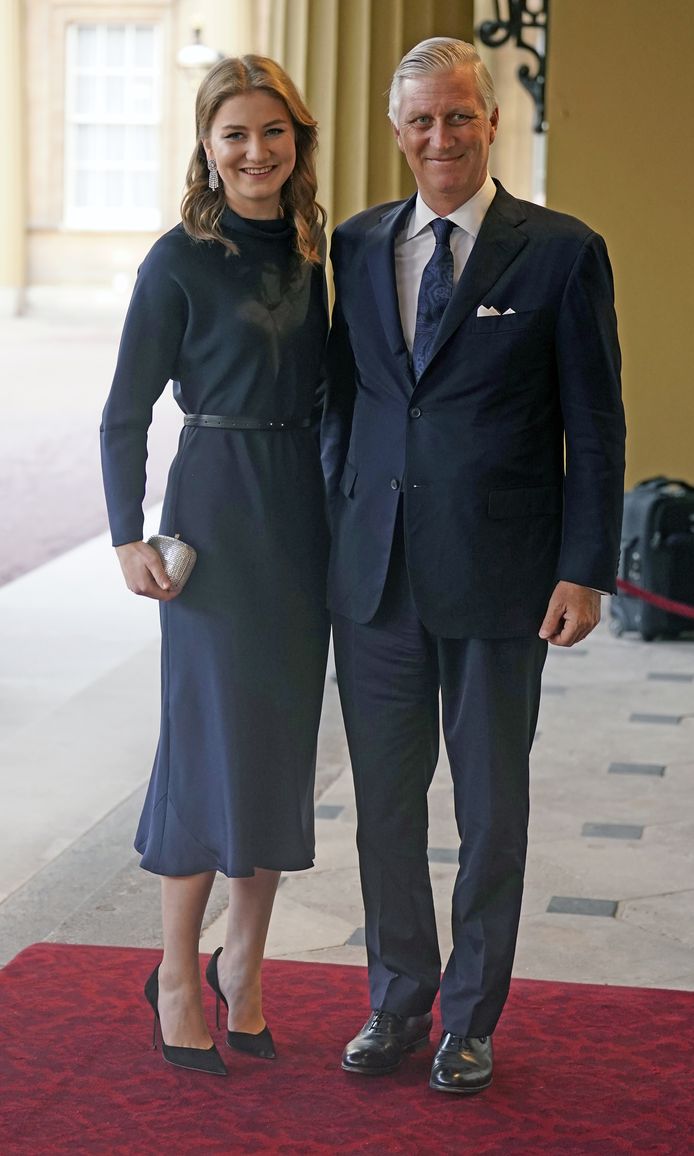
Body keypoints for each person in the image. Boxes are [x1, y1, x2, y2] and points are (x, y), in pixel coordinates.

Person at [322, 37, 625, 1094]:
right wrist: (336, 525)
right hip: (375, 581)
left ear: (490, 120)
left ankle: (470, 1018)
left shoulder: (560, 249)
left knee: (491, 805)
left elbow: (594, 425)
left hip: (503, 578)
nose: (437, 138)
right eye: (419, 121)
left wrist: (585, 566)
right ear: (398, 130)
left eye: (456, 116)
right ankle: (396, 1000)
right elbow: (348, 405)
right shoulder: (358, 248)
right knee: (384, 806)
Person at [101, 55, 330, 1076]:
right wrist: (126, 535)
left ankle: (245, 962)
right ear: (206, 145)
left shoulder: (326, 251)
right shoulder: (177, 260)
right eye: (233, 133)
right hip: (215, 510)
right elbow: (122, 413)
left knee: (278, 743)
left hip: (302, 514)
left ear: (299, 141)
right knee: (205, 743)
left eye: (272, 132)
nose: (254, 151)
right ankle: (175, 974)